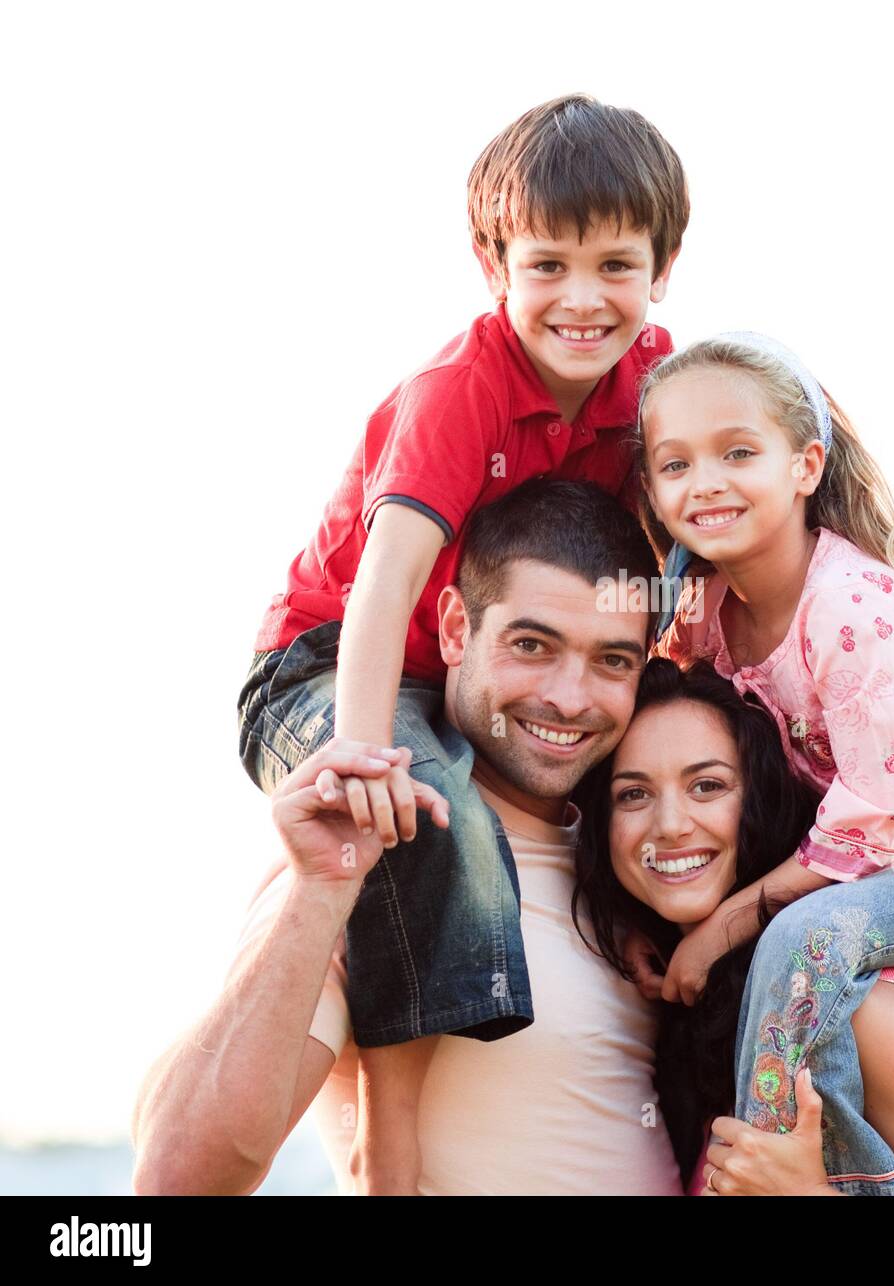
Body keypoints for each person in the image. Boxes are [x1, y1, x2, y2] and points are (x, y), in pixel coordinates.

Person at [235, 95, 687, 1187]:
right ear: (493, 263)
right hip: (328, 662)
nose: (583, 300)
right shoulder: (461, 387)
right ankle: (393, 1132)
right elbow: (386, 583)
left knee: (668, 779)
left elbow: (677, 552)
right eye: (548, 266)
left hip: (471, 670)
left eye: (616, 266)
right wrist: (358, 755)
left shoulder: (658, 384)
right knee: (431, 810)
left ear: (663, 268)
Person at [136, 481, 682, 1194]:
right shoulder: (380, 852)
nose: (571, 697)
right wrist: (320, 890)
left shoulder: (633, 865)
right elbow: (177, 1180)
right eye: (531, 644)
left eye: (612, 660)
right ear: (456, 629)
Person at [630, 332, 894, 1171]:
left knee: (806, 940)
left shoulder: (854, 609)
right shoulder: (703, 612)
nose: (706, 482)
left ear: (806, 465)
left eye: (738, 452)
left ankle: (798, 1170)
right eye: (674, 465)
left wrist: (724, 923)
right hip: (829, 871)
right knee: (802, 932)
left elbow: (884, 823)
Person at [573, 658, 894, 1195]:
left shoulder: (860, 1012)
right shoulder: (688, 1023)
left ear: (762, 798)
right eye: (633, 794)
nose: (669, 825)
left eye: (708, 786)